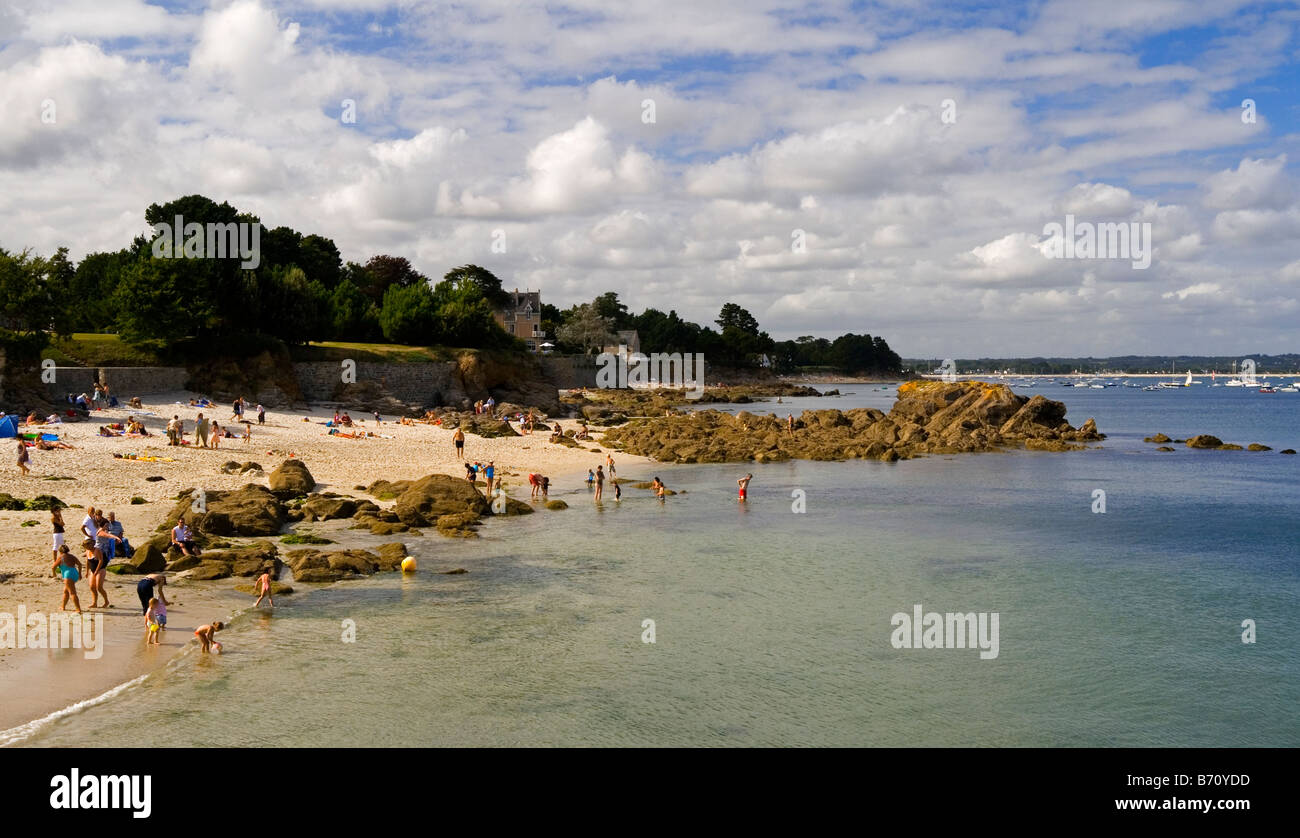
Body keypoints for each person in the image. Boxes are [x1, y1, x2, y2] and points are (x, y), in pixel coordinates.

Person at [52, 545, 83, 613]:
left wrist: (54, 574)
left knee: (72, 592)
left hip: (68, 575)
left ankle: (78, 609)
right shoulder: (72, 556)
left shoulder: (61, 557)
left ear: (60, 551)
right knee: (66, 591)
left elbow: (53, 567)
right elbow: (80, 565)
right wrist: (80, 574)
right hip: (75, 573)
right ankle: (63, 606)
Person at [84, 538, 109, 608]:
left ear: (91, 545)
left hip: (101, 570)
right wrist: (87, 571)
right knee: (92, 587)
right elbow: (87, 562)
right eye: (85, 546)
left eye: (86, 546)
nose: (86, 547)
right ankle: (94, 603)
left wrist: (97, 571)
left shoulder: (97, 550)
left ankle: (106, 601)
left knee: (99, 587)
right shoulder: (87, 551)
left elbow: (101, 561)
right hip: (92, 571)